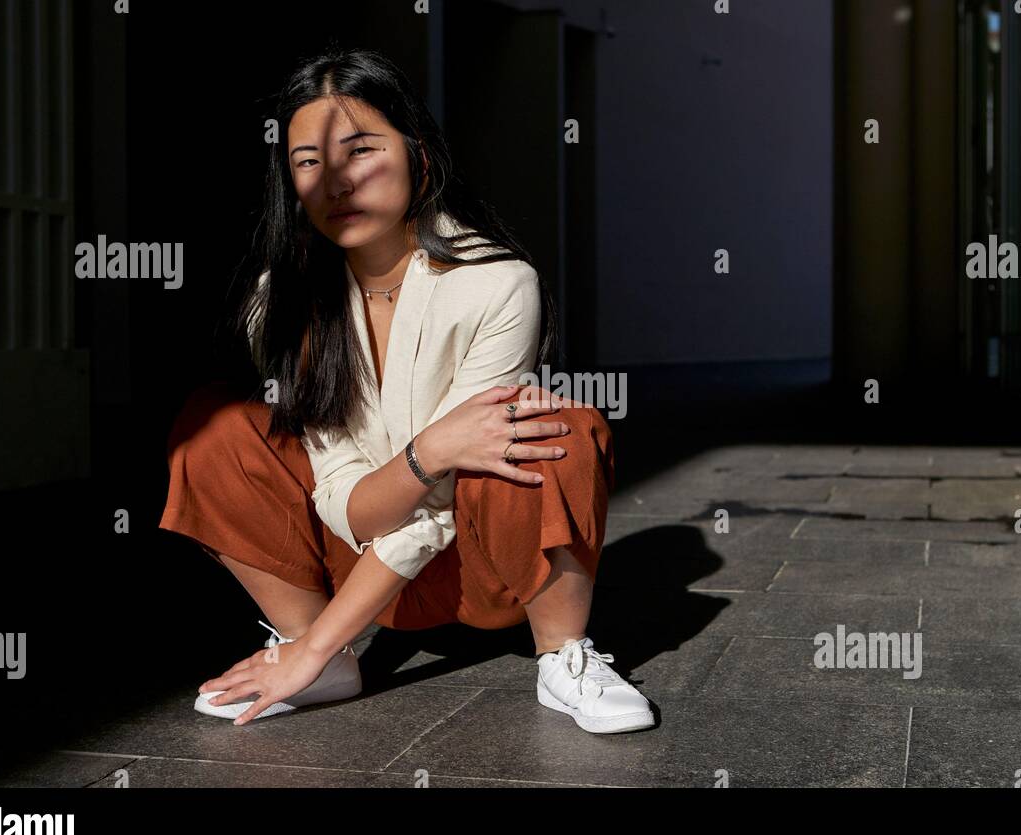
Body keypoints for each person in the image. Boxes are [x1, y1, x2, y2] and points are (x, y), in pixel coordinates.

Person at [158, 47, 654, 735]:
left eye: (359, 150)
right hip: (355, 556)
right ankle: (323, 658)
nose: (336, 179)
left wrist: (435, 463)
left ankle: (562, 654)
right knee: (215, 429)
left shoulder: (499, 283)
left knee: (552, 427)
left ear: (417, 156)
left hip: (480, 570)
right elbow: (343, 500)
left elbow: (442, 508)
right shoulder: (281, 302)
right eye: (309, 161)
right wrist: (428, 451)